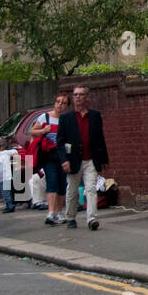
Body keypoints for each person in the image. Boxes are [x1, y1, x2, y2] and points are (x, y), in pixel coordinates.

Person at [57, 86, 109, 230]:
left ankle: (92, 219)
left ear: (87, 97)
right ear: (73, 98)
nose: (78, 97)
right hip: (73, 159)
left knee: (91, 189)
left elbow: (100, 138)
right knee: (72, 190)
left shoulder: (95, 116)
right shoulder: (66, 118)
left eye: (81, 94)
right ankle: (70, 217)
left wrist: (104, 159)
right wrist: (64, 160)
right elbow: (60, 142)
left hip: (91, 159)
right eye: (75, 95)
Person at [33, 93, 70, 225]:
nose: (60, 104)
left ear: (67, 106)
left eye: (64, 102)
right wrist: (43, 131)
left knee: (62, 184)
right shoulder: (45, 117)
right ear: (54, 103)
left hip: (63, 155)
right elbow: (33, 131)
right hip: (49, 155)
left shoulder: (67, 119)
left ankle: (59, 212)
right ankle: (51, 212)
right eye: (58, 102)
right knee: (52, 181)